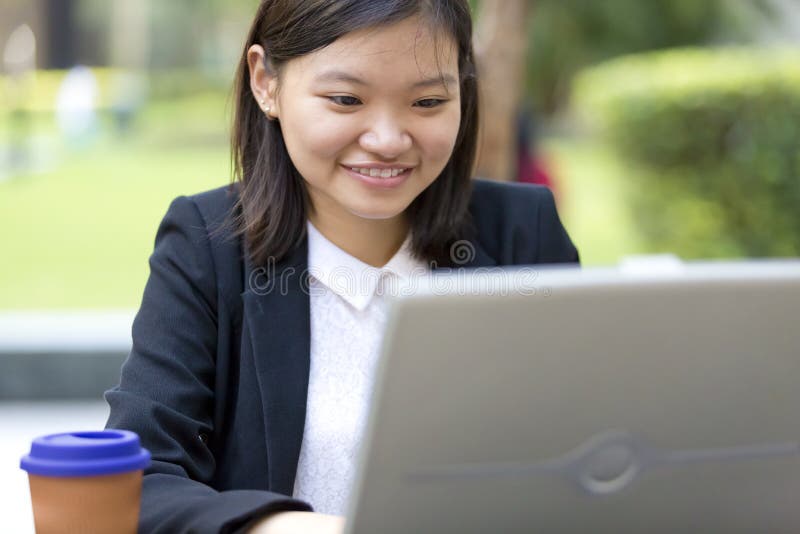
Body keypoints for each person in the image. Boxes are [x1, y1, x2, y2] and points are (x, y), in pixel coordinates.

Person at [104, 1, 579, 533]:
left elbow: (596, 449)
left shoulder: (523, 235)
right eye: (346, 100)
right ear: (265, 81)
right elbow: (136, 478)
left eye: (427, 101)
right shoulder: (206, 247)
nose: (387, 140)